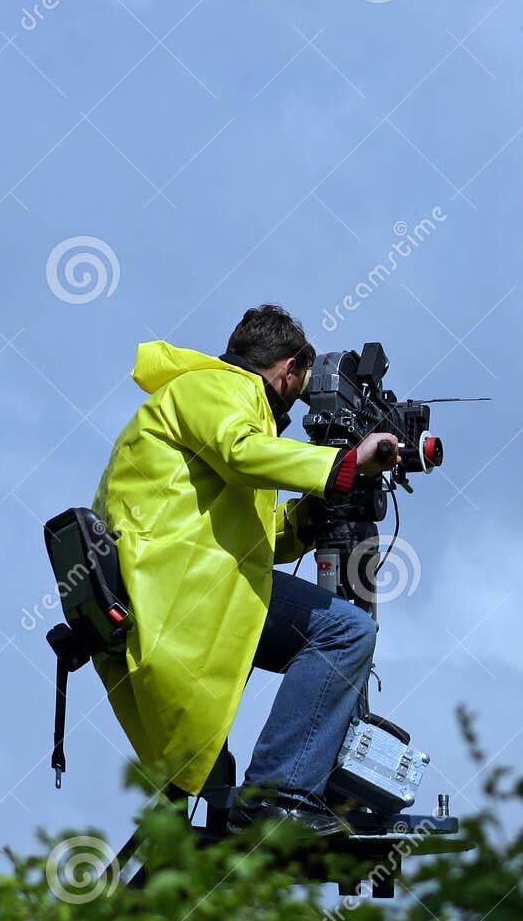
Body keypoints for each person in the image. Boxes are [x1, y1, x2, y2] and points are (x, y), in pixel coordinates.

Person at [91, 304, 397, 836]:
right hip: (182, 587)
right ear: (289, 367)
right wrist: (343, 464)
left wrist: (309, 514)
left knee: (332, 636)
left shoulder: (214, 405)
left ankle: (276, 792)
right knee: (347, 632)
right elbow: (241, 452)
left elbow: (254, 536)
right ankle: (278, 794)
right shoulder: (216, 387)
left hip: (183, 580)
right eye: (302, 384)